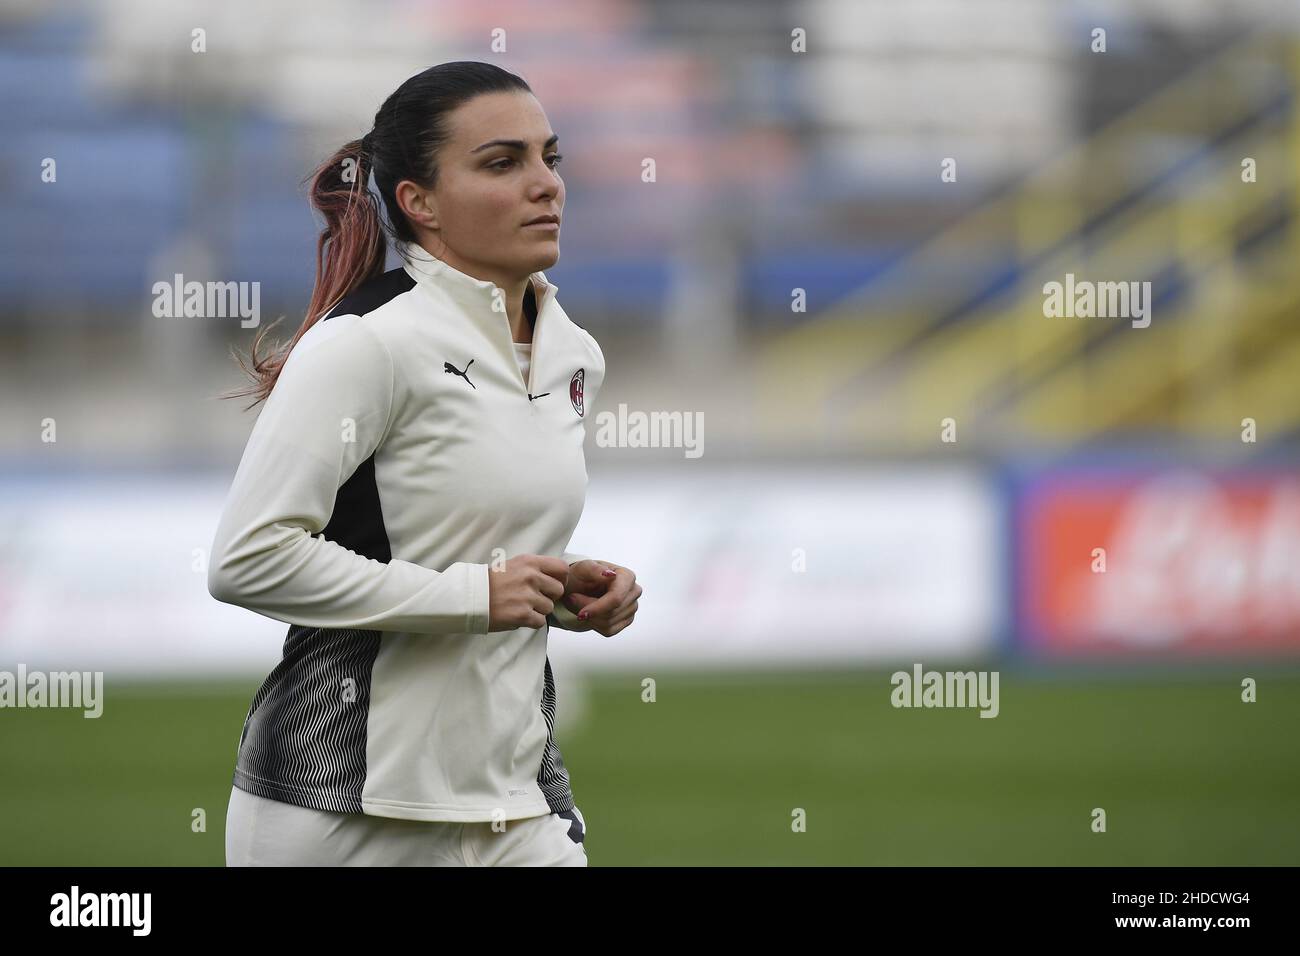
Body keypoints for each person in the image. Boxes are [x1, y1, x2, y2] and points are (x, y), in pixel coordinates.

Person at [208, 61, 641, 866]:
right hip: (342, 807)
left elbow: (456, 541)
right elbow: (247, 559)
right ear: (419, 202)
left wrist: (564, 587)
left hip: (518, 802)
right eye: (502, 163)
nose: (546, 184)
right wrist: (476, 596)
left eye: (550, 157)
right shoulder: (365, 343)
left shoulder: (573, 353)